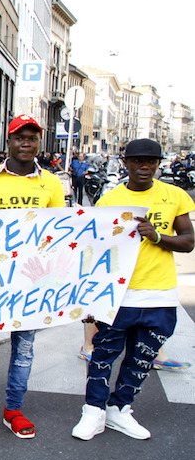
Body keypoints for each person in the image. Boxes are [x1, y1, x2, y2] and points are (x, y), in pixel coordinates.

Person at [72, 139, 194, 441]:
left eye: (151, 161)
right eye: (137, 160)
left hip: (159, 296)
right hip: (119, 295)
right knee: (103, 355)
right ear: (124, 162)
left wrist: (156, 236)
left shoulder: (174, 196)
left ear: (159, 164)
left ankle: (120, 409)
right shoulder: (110, 200)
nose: (144, 167)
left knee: (141, 358)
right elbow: (94, 248)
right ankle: (93, 411)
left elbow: (189, 241)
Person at [0, 115, 65, 442]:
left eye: (32, 138)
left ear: (38, 143)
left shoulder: (52, 184)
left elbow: (61, 232)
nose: (26, 143)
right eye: (20, 138)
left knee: (24, 350)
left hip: (32, 282)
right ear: (9, 142)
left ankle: (13, 410)